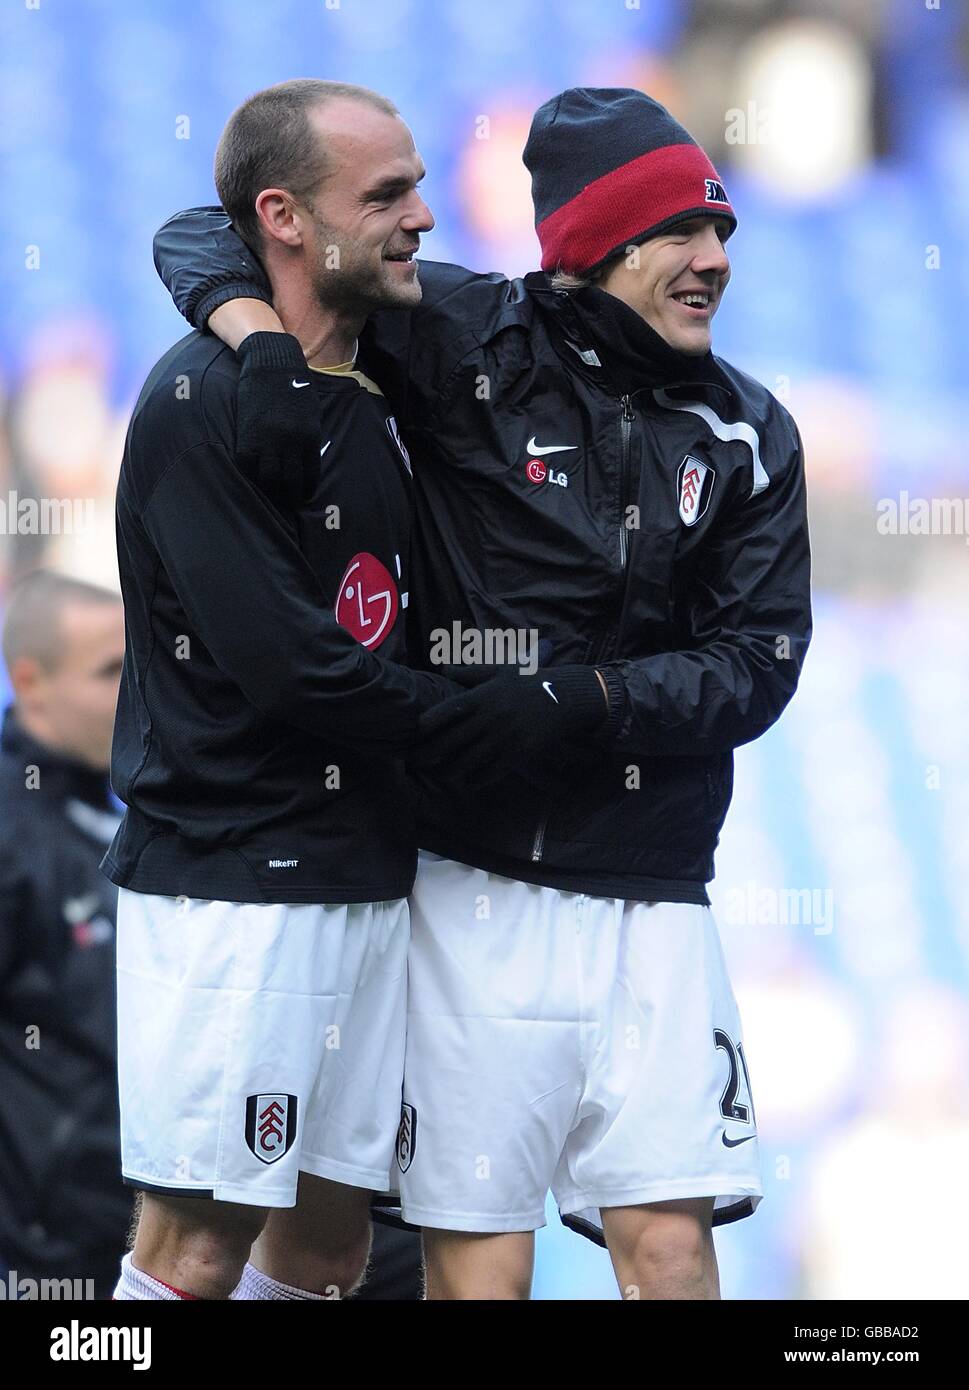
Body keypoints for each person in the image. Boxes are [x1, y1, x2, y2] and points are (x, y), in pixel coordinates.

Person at [153, 86, 812, 1300]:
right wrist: (253, 340)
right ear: (593, 248)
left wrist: (578, 705)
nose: (715, 259)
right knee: (476, 1257)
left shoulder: (749, 428)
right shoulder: (458, 333)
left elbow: (759, 666)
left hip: (656, 888)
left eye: (722, 232)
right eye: (680, 232)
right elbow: (212, 232)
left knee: (671, 1247)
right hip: (471, 882)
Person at [106, 79, 473, 1302]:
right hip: (234, 891)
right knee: (195, 1245)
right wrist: (521, 718)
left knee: (327, 1247)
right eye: (388, 194)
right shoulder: (195, 404)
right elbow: (301, 671)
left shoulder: (394, 369)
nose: (425, 215)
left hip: (366, 874)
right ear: (284, 216)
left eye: (419, 183)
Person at [0, 570, 131, 1300]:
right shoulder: (11, 838)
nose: (133, 692)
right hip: (56, 1259)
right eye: (111, 671)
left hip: (165, 1223)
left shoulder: (135, 820)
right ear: (32, 681)